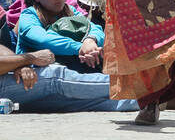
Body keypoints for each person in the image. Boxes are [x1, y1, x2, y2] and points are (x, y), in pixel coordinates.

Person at [12, 0, 104, 71]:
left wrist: (90, 40)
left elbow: (94, 28)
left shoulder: (70, 10)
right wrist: (81, 47)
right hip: (40, 75)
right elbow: (43, 40)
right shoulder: (28, 16)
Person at [0, 40, 137, 112]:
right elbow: (45, 39)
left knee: (67, 101)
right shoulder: (29, 16)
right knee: (53, 77)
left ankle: (143, 101)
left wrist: (20, 64)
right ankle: (140, 82)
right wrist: (29, 58)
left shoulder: (73, 10)